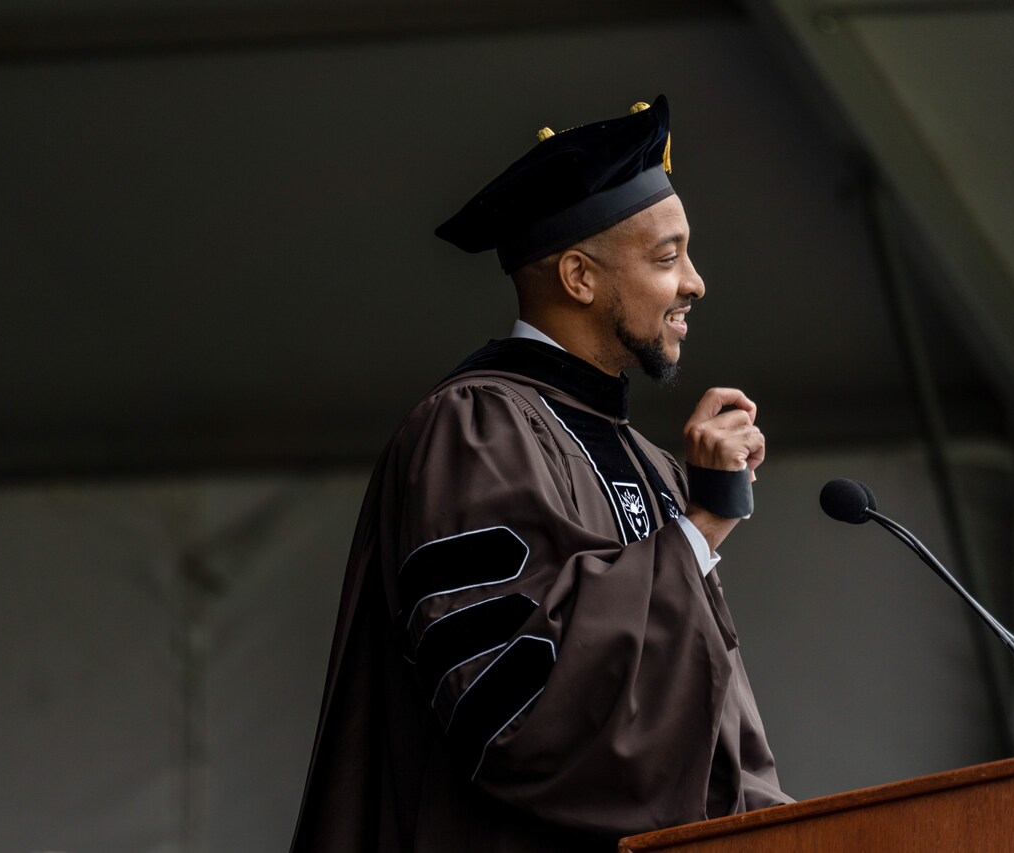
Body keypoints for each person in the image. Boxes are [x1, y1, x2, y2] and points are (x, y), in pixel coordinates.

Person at [290, 95, 792, 853]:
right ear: (579, 278)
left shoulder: (651, 464)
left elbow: (715, 731)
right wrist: (701, 529)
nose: (695, 282)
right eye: (667, 257)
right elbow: (514, 712)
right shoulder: (472, 428)